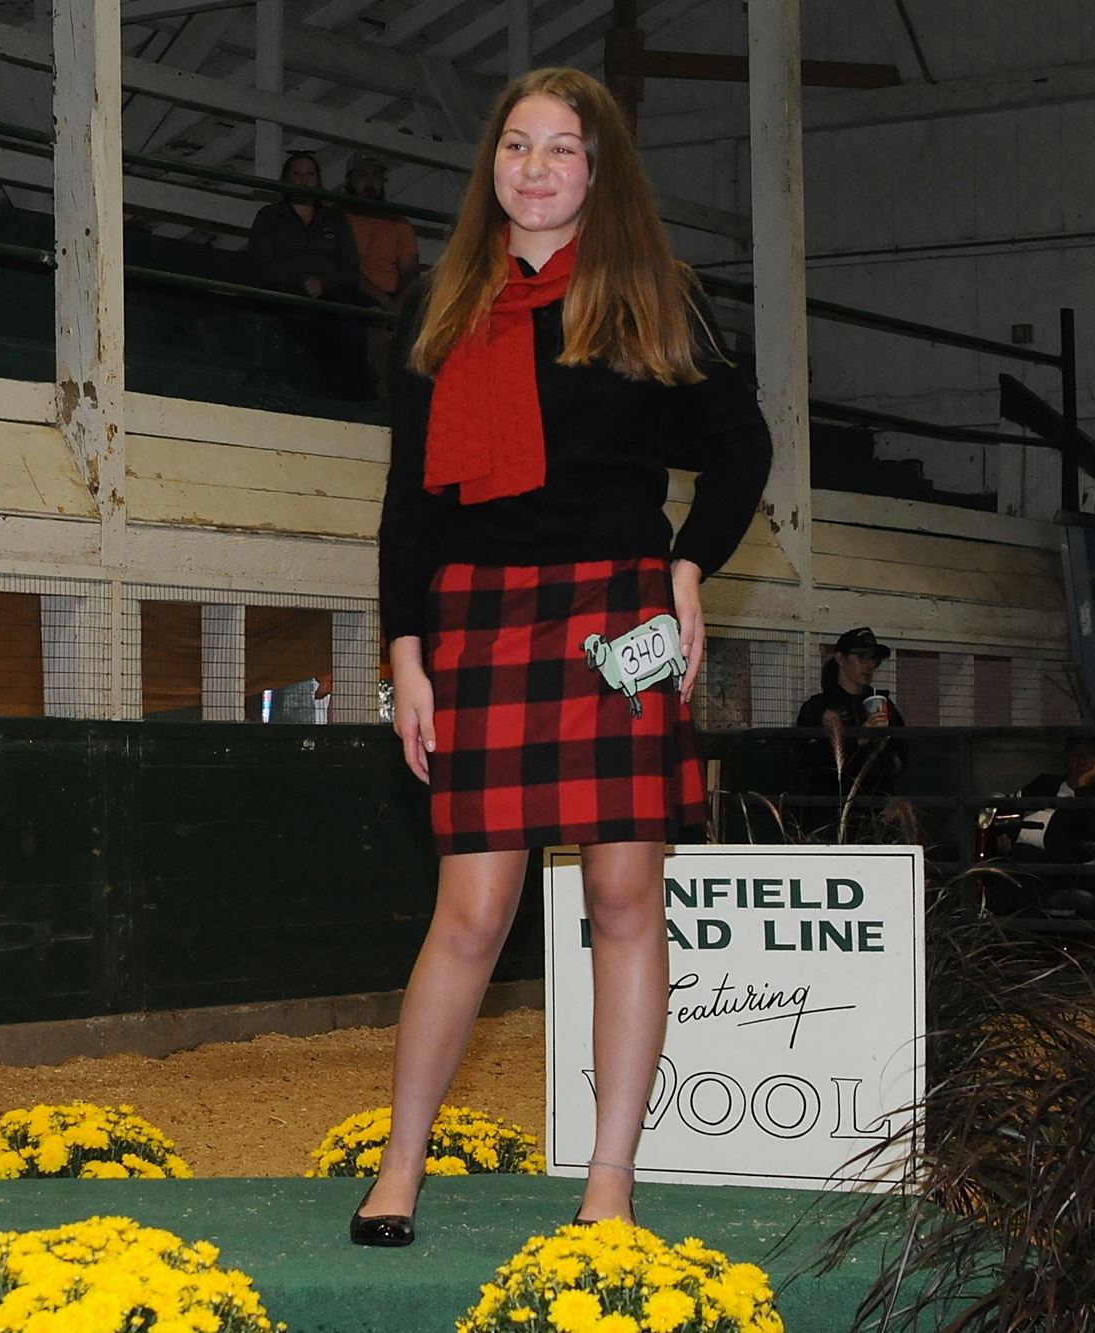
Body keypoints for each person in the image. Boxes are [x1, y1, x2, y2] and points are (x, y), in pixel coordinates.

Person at [360, 67, 772, 1245]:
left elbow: (740, 449)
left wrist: (688, 566)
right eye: (515, 145)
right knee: (469, 911)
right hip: (476, 618)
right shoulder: (438, 305)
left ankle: (609, 1180)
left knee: (622, 896)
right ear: (489, 165)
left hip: (617, 614)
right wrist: (404, 653)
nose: (533, 167)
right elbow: (408, 501)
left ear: (598, 171)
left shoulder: (654, 297)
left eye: (559, 148)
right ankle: (397, 1167)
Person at [247, 151, 369, 398]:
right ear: (286, 180)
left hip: (331, 298)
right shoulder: (270, 216)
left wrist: (325, 285)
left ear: (319, 181)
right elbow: (261, 264)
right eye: (297, 173)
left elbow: (350, 270)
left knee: (353, 327)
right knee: (309, 324)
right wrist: (300, 282)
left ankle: (352, 398)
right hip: (284, 296)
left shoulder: (335, 221)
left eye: (310, 174)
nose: (304, 179)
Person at [982, 735, 1095, 915]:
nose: (1081, 760)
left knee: (1022, 860)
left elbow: (1094, 829)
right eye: (1076, 754)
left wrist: (1085, 788)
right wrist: (1002, 835)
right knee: (971, 855)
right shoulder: (1045, 784)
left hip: (1069, 869)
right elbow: (1008, 809)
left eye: (1089, 755)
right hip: (1019, 857)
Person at [789, 626, 907, 832]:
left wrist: (887, 740)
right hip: (829, 814)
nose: (870, 665)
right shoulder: (818, 708)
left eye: (874, 659)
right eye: (862, 657)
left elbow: (902, 754)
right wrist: (857, 740)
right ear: (840, 658)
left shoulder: (885, 706)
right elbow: (810, 763)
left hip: (875, 812)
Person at [344, 152, 421, 396]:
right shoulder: (337, 219)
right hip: (353, 296)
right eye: (362, 175)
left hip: (393, 300)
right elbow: (346, 269)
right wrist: (386, 304)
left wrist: (397, 303)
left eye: (376, 176)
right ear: (349, 180)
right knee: (375, 325)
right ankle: (384, 396)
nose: (370, 183)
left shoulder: (399, 222)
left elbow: (410, 271)